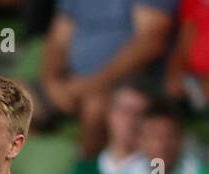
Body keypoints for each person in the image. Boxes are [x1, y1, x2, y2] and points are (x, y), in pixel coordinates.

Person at [41, 0, 177, 155]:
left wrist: (92, 84)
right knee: (12, 102)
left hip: (128, 81)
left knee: (95, 107)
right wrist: (52, 83)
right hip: (73, 83)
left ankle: (88, 173)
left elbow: (151, 41)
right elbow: (58, 40)